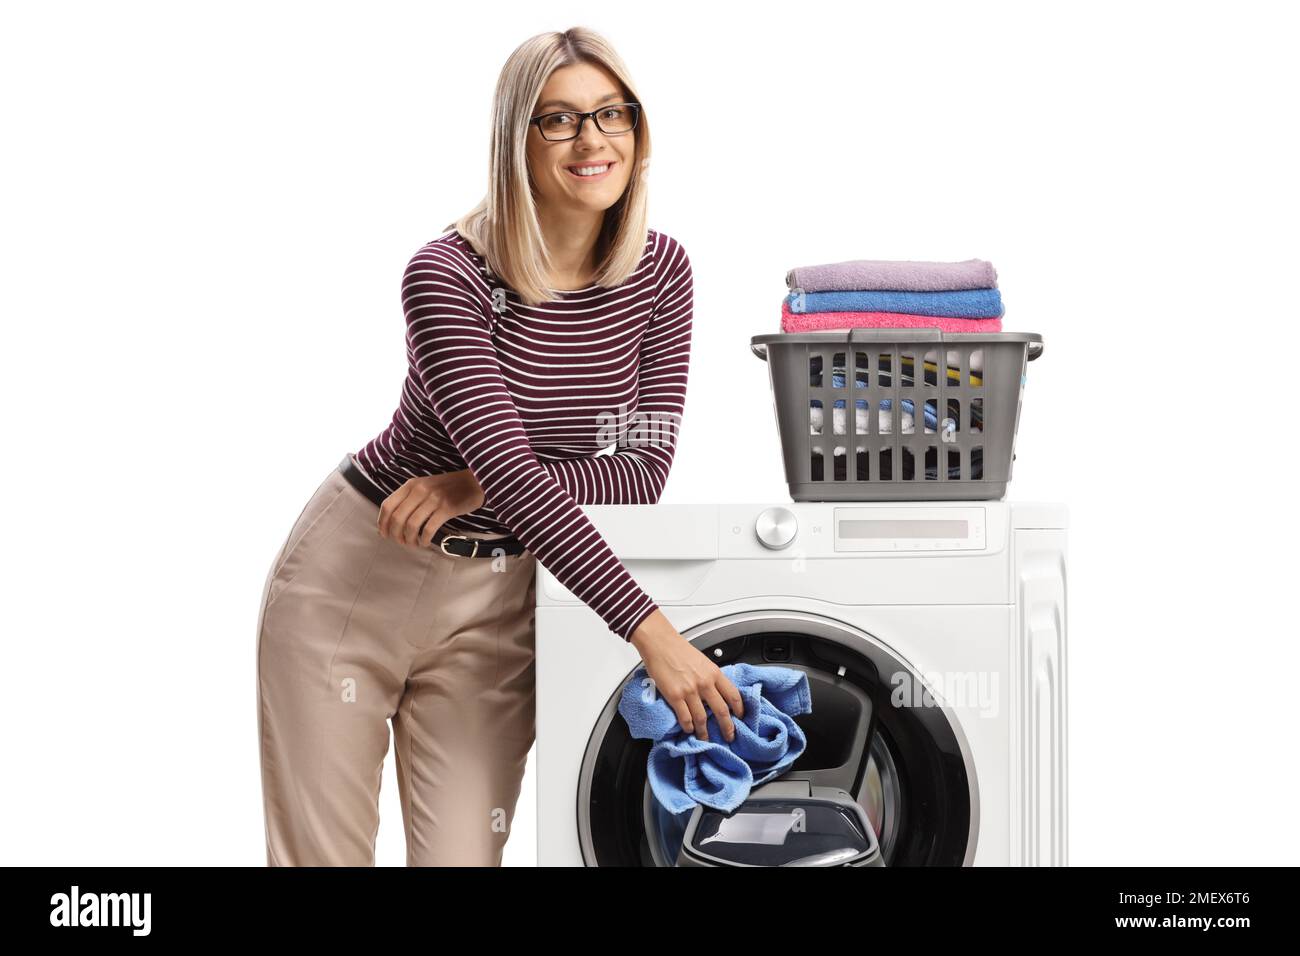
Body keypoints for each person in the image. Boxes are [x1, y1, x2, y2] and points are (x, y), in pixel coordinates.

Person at [255, 26, 744, 867]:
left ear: (638, 130)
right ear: (515, 141)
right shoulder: (446, 274)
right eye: (557, 120)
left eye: (610, 114)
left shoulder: (663, 273)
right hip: (357, 577)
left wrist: (475, 485)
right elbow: (516, 468)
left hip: (497, 598)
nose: (591, 141)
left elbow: (642, 471)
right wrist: (652, 633)